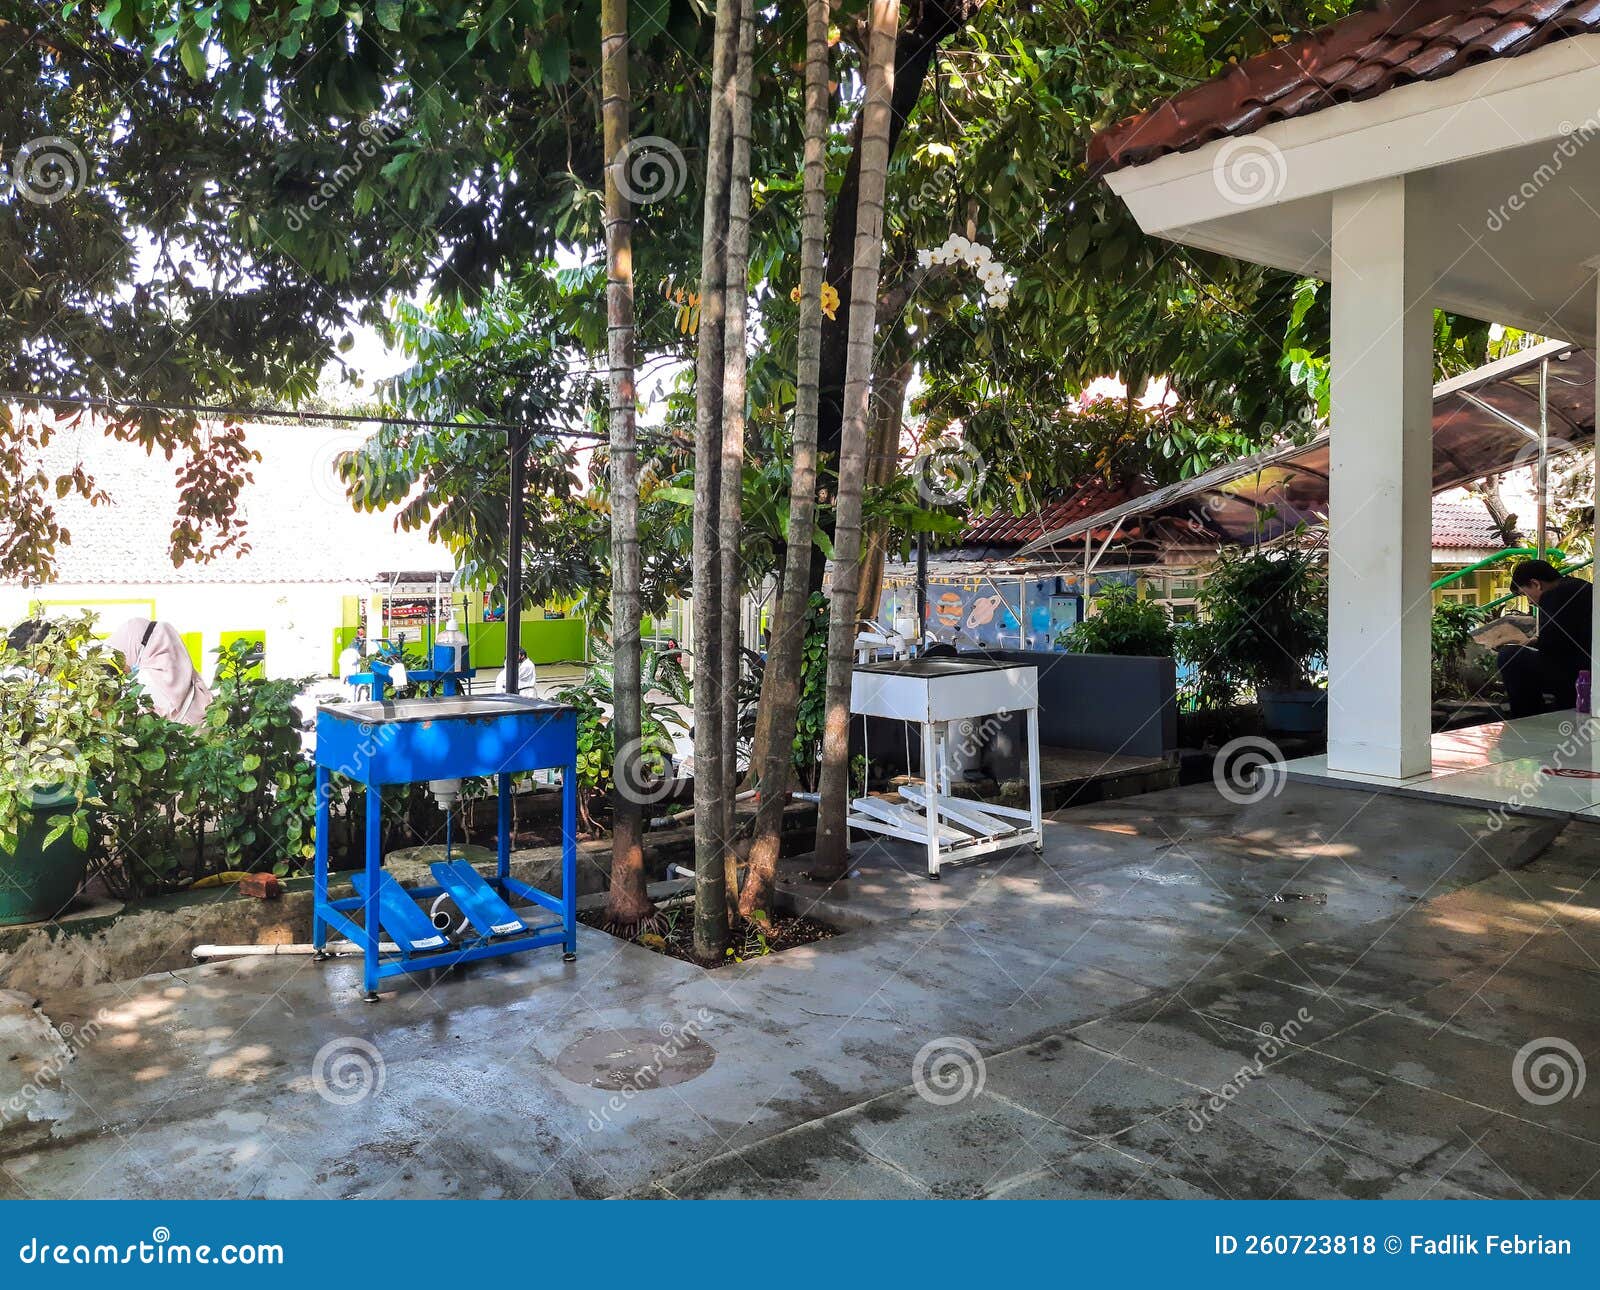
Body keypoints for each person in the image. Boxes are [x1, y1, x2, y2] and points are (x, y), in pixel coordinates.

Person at [1496, 560, 1593, 718]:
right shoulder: (1580, 586)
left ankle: (1526, 717)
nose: (1529, 601)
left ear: (1536, 584)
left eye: (1524, 594)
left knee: (1510, 656)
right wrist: (1532, 641)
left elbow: (1551, 647)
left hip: (1580, 672)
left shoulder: (1553, 595)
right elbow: (1567, 637)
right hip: (1587, 664)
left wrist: (1518, 641)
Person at [107, 617, 214, 726]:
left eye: (122, 654)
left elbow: (132, 730)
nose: (121, 665)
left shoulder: (144, 682)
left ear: (136, 647)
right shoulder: (180, 669)